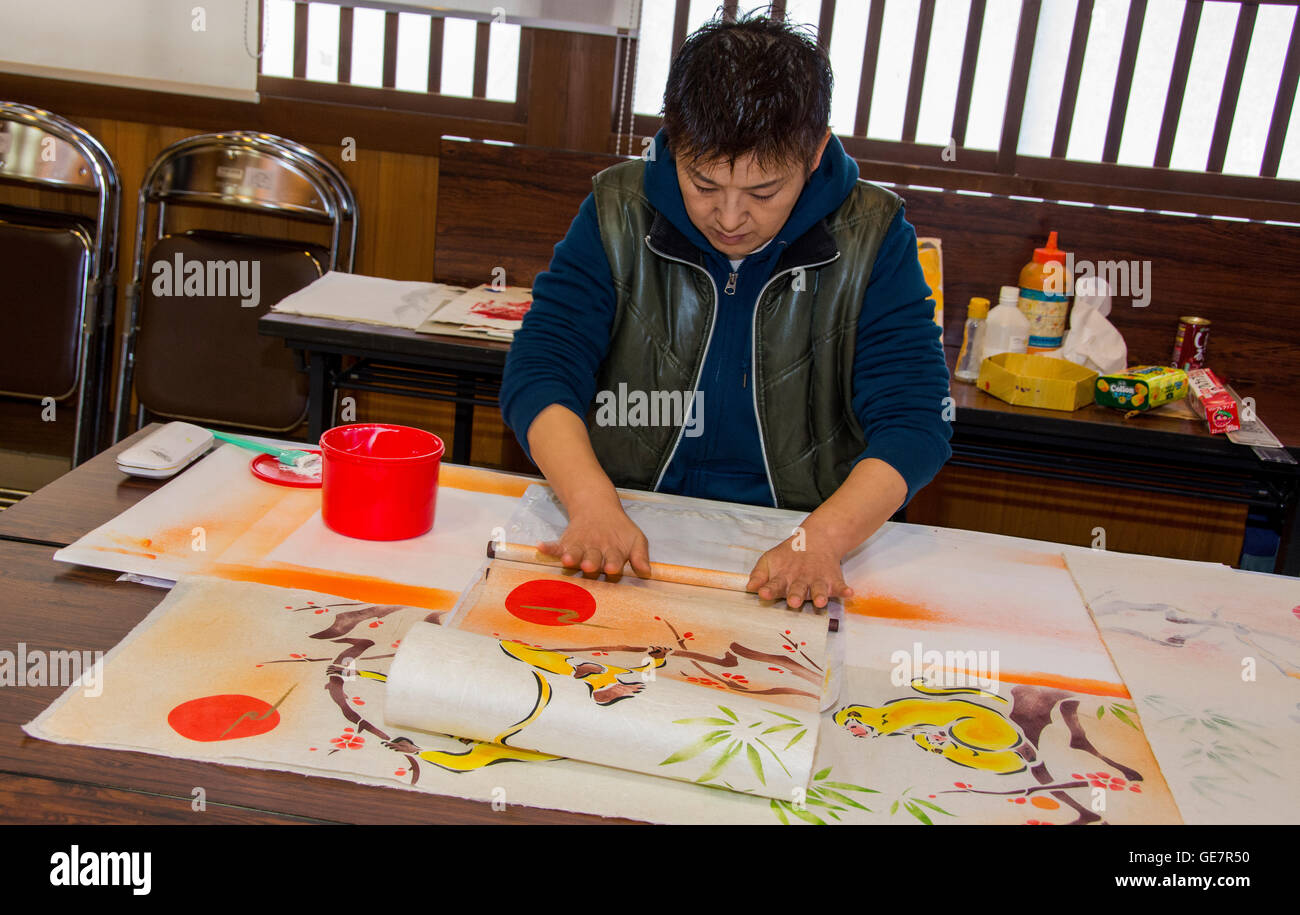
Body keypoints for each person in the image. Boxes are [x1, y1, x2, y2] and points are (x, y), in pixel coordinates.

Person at [500, 12, 951, 609]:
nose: (731, 218)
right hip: (626, 518)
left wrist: (820, 539)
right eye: (704, 185)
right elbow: (542, 370)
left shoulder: (873, 235)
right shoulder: (618, 211)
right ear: (673, 141)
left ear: (815, 152)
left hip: (802, 535)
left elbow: (916, 420)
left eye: (764, 193)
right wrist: (591, 504)